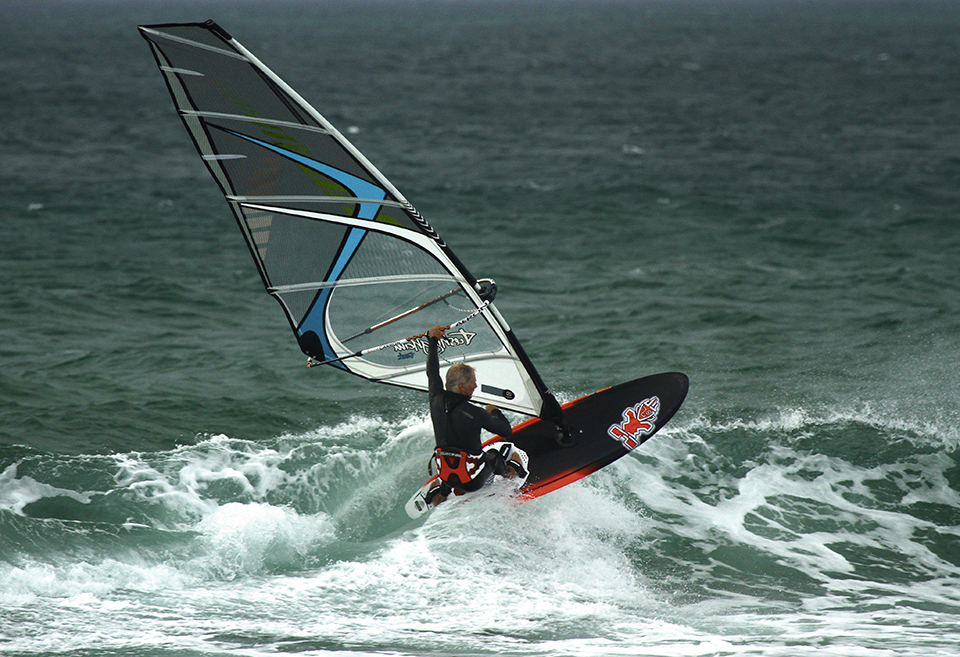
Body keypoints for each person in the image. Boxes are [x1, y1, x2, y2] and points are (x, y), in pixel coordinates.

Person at [425, 325, 528, 508]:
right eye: (473, 382)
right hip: (472, 482)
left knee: (451, 452)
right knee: (495, 454)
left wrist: (432, 340)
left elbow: (432, 372)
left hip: (446, 475)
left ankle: (442, 494)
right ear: (462, 386)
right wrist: (493, 411)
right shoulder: (474, 413)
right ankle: (510, 474)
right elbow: (506, 430)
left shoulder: (435, 399)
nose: (475, 385)